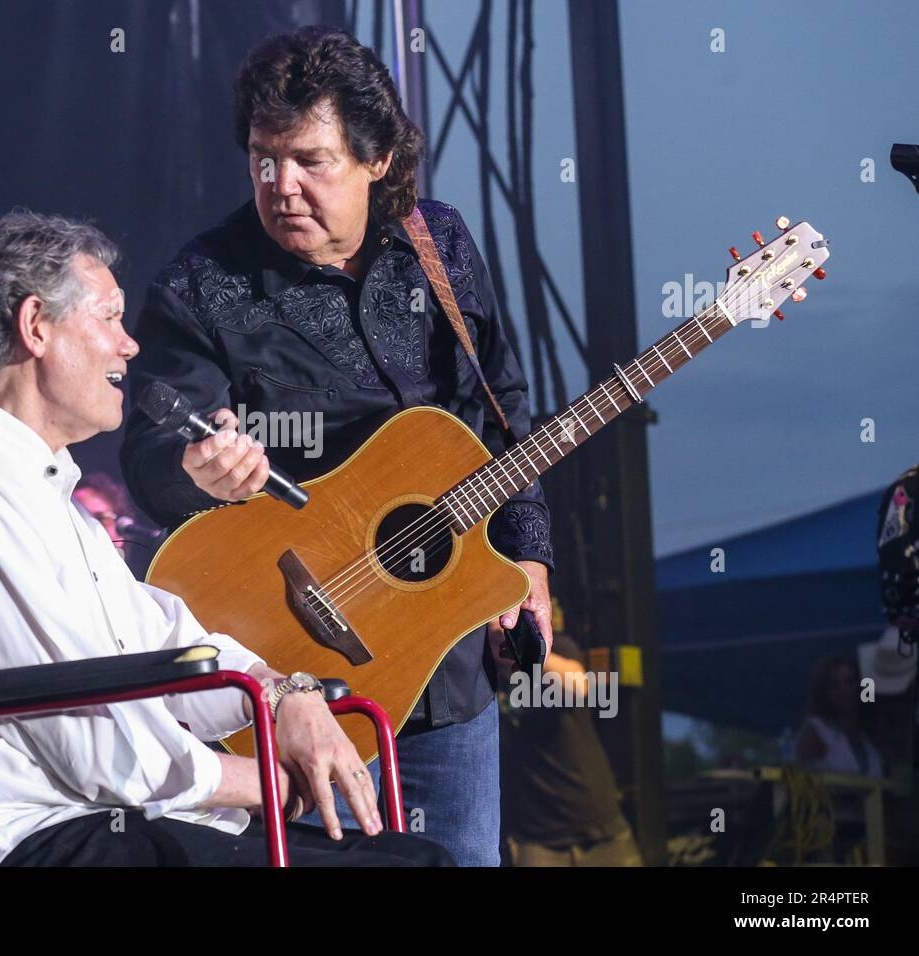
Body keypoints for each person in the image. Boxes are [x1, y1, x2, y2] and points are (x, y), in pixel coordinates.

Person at [0, 210, 452, 866]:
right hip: (43, 839)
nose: (128, 346)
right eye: (108, 317)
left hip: (118, 820)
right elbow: (93, 744)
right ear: (36, 326)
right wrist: (266, 783)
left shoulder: (43, 491)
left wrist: (284, 694)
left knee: (412, 857)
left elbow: (169, 646)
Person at [120, 27, 554, 865]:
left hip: (445, 675)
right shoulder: (199, 283)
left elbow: (504, 415)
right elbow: (149, 460)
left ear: (379, 158)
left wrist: (529, 560)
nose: (280, 185)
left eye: (310, 160)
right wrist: (195, 471)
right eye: (262, 158)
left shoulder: (442, 243)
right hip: (294, 686)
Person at [498, 601, 641, 866]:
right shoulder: (478, 673)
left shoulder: (555, 646)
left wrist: (516, 637)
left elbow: (578, 684)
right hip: (533, 839)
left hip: (597, 826)